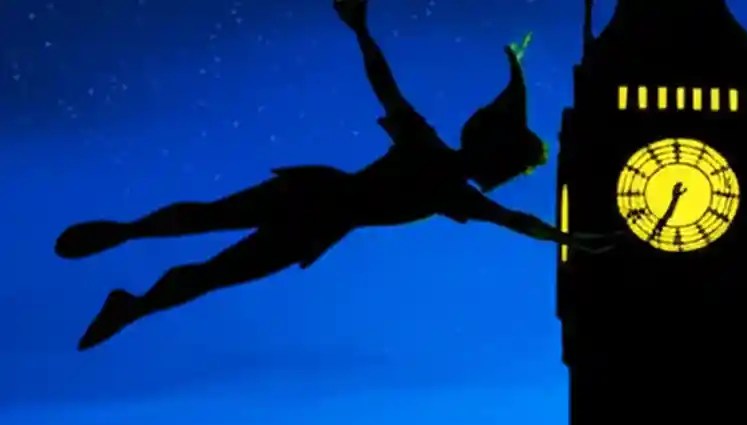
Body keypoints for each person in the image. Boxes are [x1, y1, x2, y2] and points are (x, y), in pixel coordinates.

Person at [56, 0, 615, 351]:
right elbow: (517, 220)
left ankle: (129, 263)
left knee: (211, 242)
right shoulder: (453, 190)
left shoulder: (442, 171)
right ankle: (130, 282)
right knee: (213, 259)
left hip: (316, 204)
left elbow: (386, 85)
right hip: (318, 210)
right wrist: (568, 238)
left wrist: (361, 31)